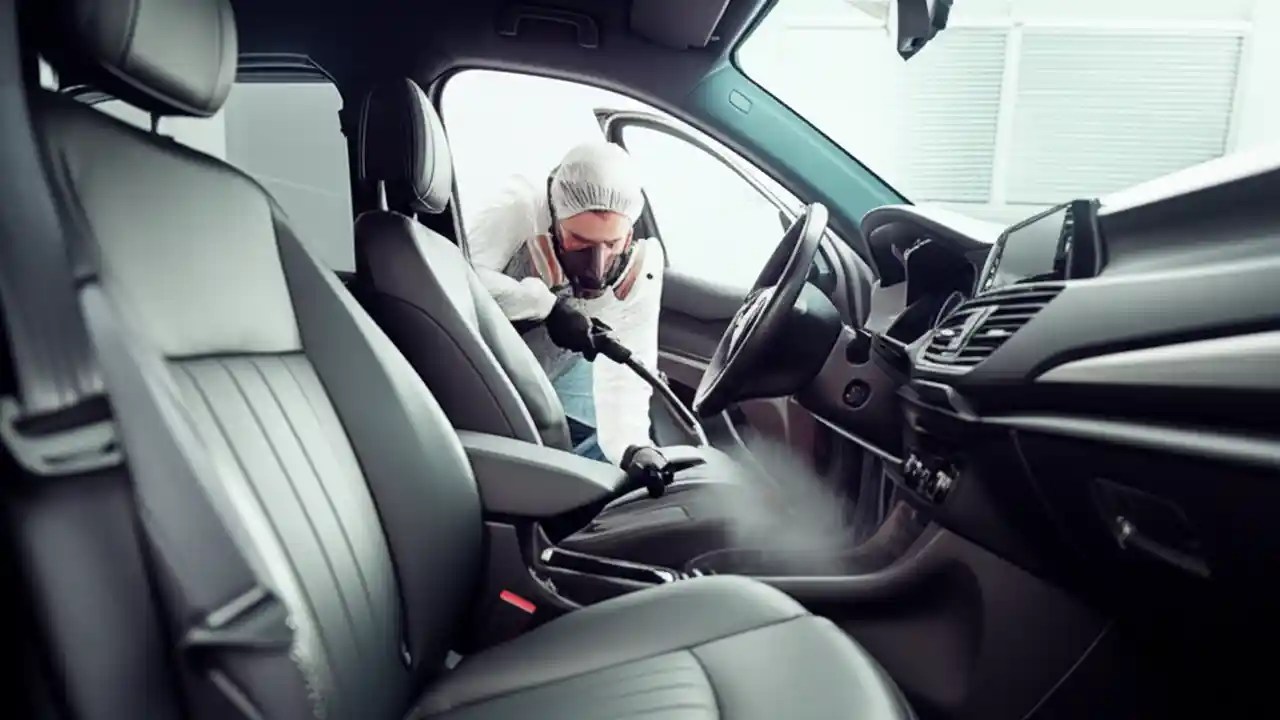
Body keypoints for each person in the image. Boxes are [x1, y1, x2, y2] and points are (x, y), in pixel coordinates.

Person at [468, 141, 664, 464]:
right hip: (490, 358)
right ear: (554, 217)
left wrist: (633, 449)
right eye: (579, 241)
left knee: (599, 452)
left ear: (629, 235)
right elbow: (461, 281)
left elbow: (628, 375)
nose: (597, 264)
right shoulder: (517, 209)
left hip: (566, 364)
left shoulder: (637, 273)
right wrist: (544, 305)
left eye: (611, 243)